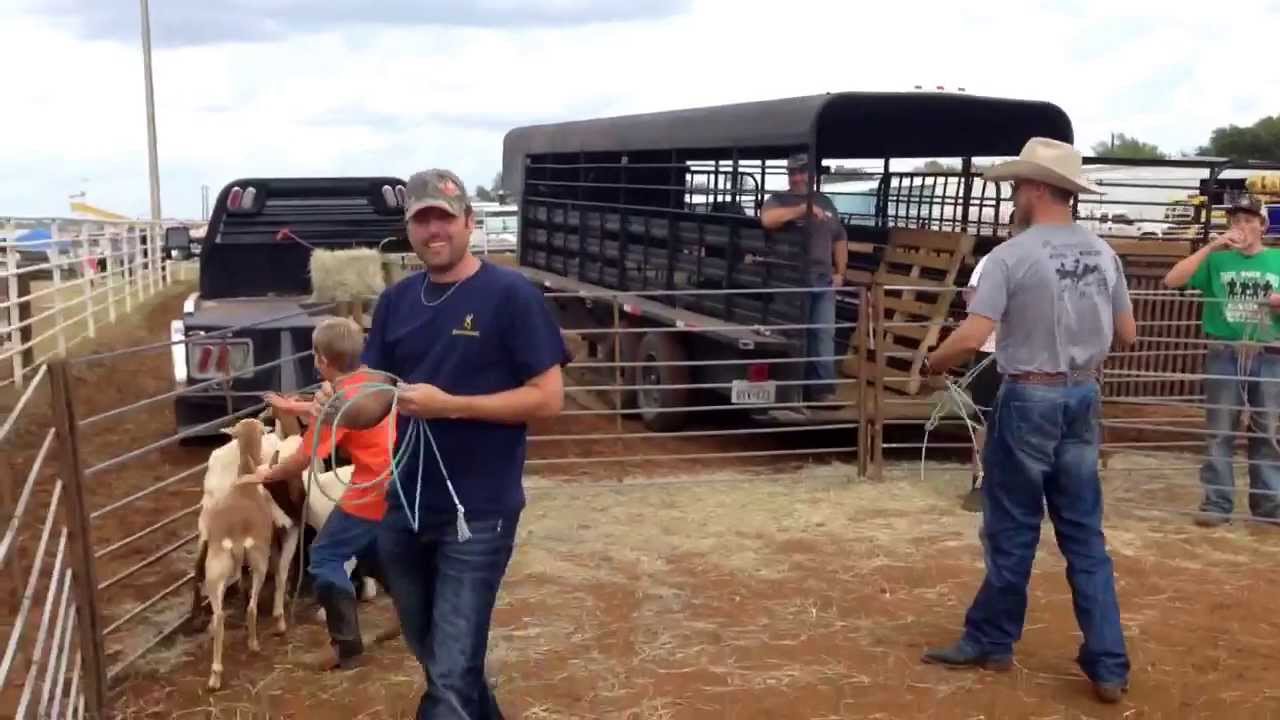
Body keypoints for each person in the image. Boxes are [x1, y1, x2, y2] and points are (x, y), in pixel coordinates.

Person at [337, 168, 568, 718]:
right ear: (409, 229)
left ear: (468, 221)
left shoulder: (511, 296)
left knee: (448, 679)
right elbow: (377, 392)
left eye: (444, 218)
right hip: (406, 508)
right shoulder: (396, 301)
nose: (434, 230)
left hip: (478, 512)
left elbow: (548, 399)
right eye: (422, 220)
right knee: (440, 658)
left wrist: (453, 405)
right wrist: (342, 405)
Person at [917, 137, 1138, 704]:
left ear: (1037, 188)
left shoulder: (1012, 256)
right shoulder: (1104, 253)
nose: (1015, 196)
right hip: (1083, 395)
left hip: (1029, 396)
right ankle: (1108, 664)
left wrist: (934, 361)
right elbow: (1128, 335)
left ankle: (992, 640)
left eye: (1018, 186)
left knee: (1013, 527)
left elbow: (973, 334)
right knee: (1085, 534)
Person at [252, 316, 397, 670]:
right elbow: (337, 407)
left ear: (321, 360)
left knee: (325, 557)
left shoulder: (336, 407)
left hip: (367, 491)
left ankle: (346, 646)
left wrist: (267, 472)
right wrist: (294, 408)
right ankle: (415, 609)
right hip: (397, 484)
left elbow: (303, 459)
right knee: (373, 549)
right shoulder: (377, 380)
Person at [1162, 194, 1279, 527]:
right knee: (1219, 431)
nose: (1241, 226)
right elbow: (1172, 280)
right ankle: (1217, 503)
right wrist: (1212, 246)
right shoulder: (1216, 261)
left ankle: (1270, 506)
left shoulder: (1278, 259)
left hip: (1269, 352)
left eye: (1249, 220)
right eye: (1236, 220)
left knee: (1266, 432)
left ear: (1262, 226)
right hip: (1224, 352)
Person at [761, 152, 849, 404]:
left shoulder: (827, 203)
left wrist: (840, 272)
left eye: (801, 171)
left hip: (823, 280)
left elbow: (840, 237)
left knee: (822, 334)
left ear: (811, 173)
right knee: (792, 335)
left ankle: (822, 391)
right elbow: (767, 219)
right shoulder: (778, 200)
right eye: (792, 173)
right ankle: (791, 391)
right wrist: (802, 209)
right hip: (789, 281)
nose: (797, 177)